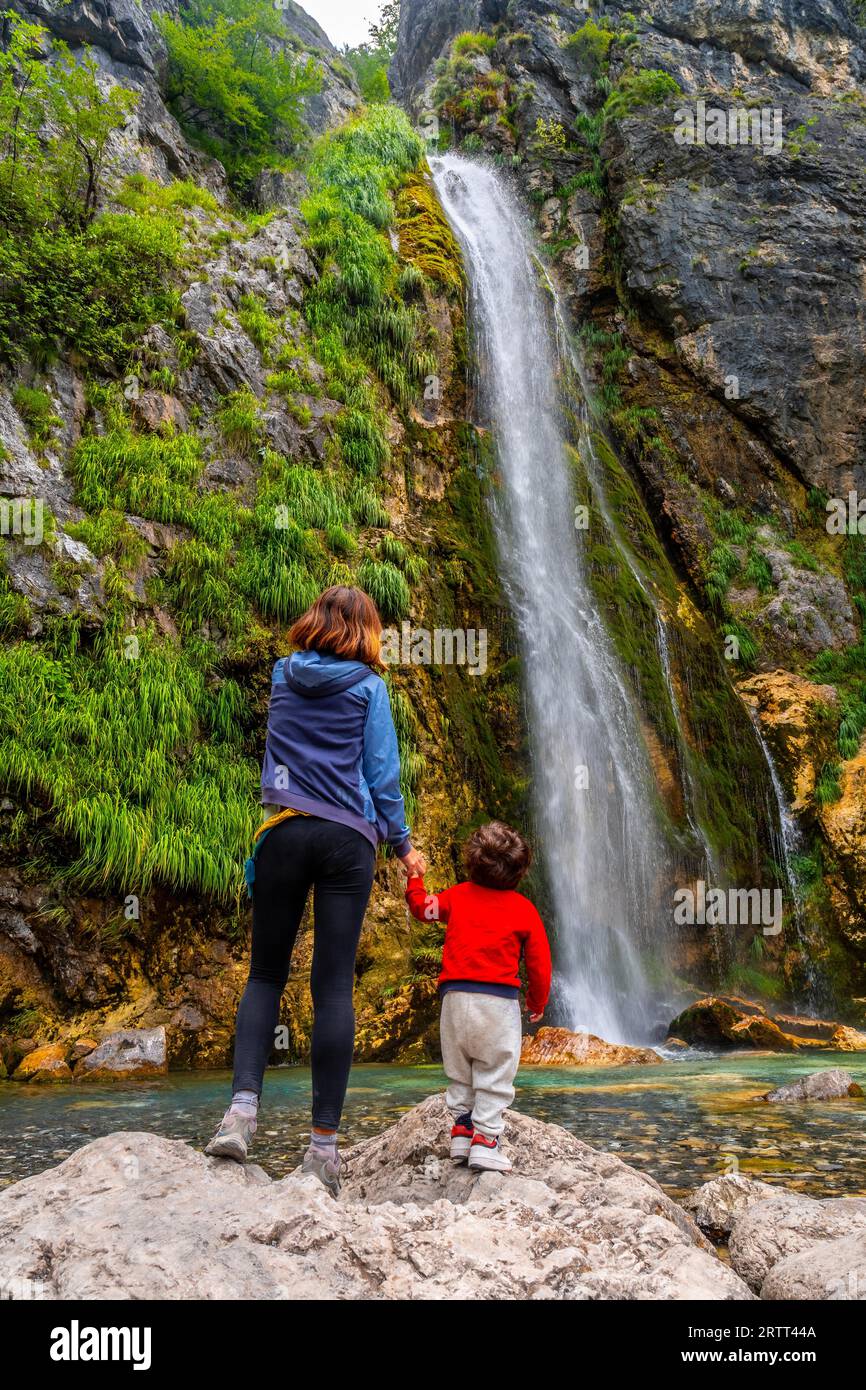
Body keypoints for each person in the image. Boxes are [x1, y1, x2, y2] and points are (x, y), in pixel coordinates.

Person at [206, 586, 426, 1195]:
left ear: (315, 622)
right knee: (332, 987)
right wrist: (405, 847)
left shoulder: (282, 673)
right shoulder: (368, 688)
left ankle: (241, 1115)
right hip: (345, 840)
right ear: (365, 632)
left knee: (265, 975)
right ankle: (322, 1150)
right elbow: (383, 776)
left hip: (281, 832)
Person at [405, 821, 551, 1172]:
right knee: (495, 1071)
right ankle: (486, 1141)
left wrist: (414, 877)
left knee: (460, 1072)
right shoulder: (523, 909)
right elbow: (540, 963)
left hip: (454, 1000)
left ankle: (461, 1134)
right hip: (497, 1005)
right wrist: (537, 1002)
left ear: (471, 863)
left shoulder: (457, 896)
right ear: (519, 871)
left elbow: (421, 908)